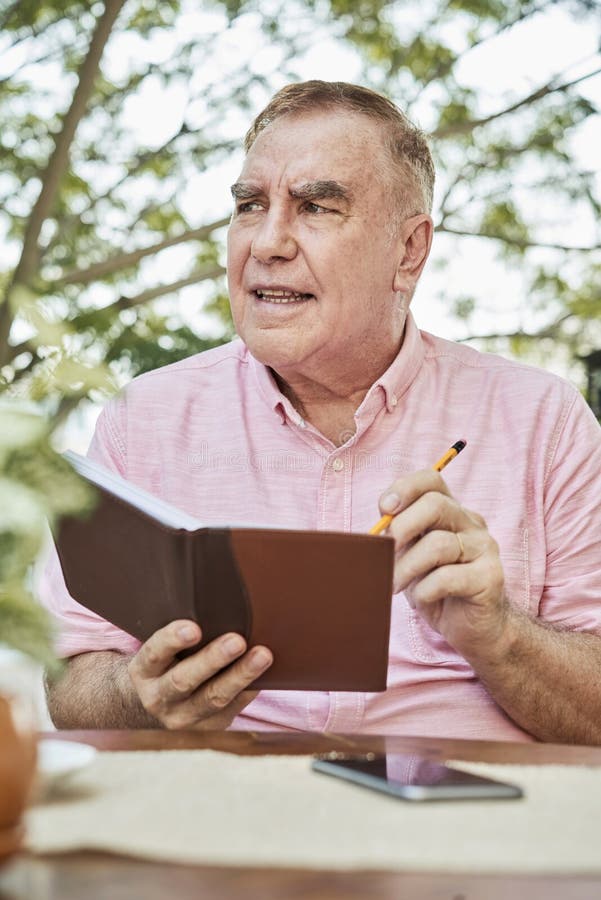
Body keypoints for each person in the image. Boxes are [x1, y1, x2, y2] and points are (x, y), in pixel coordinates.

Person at [42, 80, 601, 743]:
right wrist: (137, 693)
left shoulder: (544, 419)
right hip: (220, 803)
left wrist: (500, 637)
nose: (267, 242)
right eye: (250, 205)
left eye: (315, 207)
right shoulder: (144, 419)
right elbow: (68, 685)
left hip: (463, 812)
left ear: (408, 251)